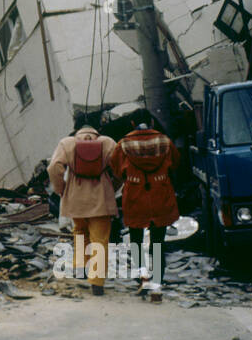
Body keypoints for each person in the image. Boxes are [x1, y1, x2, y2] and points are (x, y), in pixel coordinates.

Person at [110, 112, 180, 303]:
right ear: (151, 122)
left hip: (134, 195)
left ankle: (143, 278)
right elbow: (176, 163)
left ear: (132, 123)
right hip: (160, 194)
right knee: (158, 243)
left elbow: (116, 169)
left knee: (136, 242)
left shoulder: (122, 144)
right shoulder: (164, 141)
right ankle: (156, 288)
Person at [48, 124, 118, 296]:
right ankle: (97, 282)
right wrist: (114, 187)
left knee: (79, 232)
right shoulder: (107, 143)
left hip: (75, 197)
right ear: (95, 132)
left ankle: (80, 269)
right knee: (100, 239)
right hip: (101, 198)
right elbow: (120, 167)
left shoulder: (67, 143)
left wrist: (61, 189)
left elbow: (54, 167)